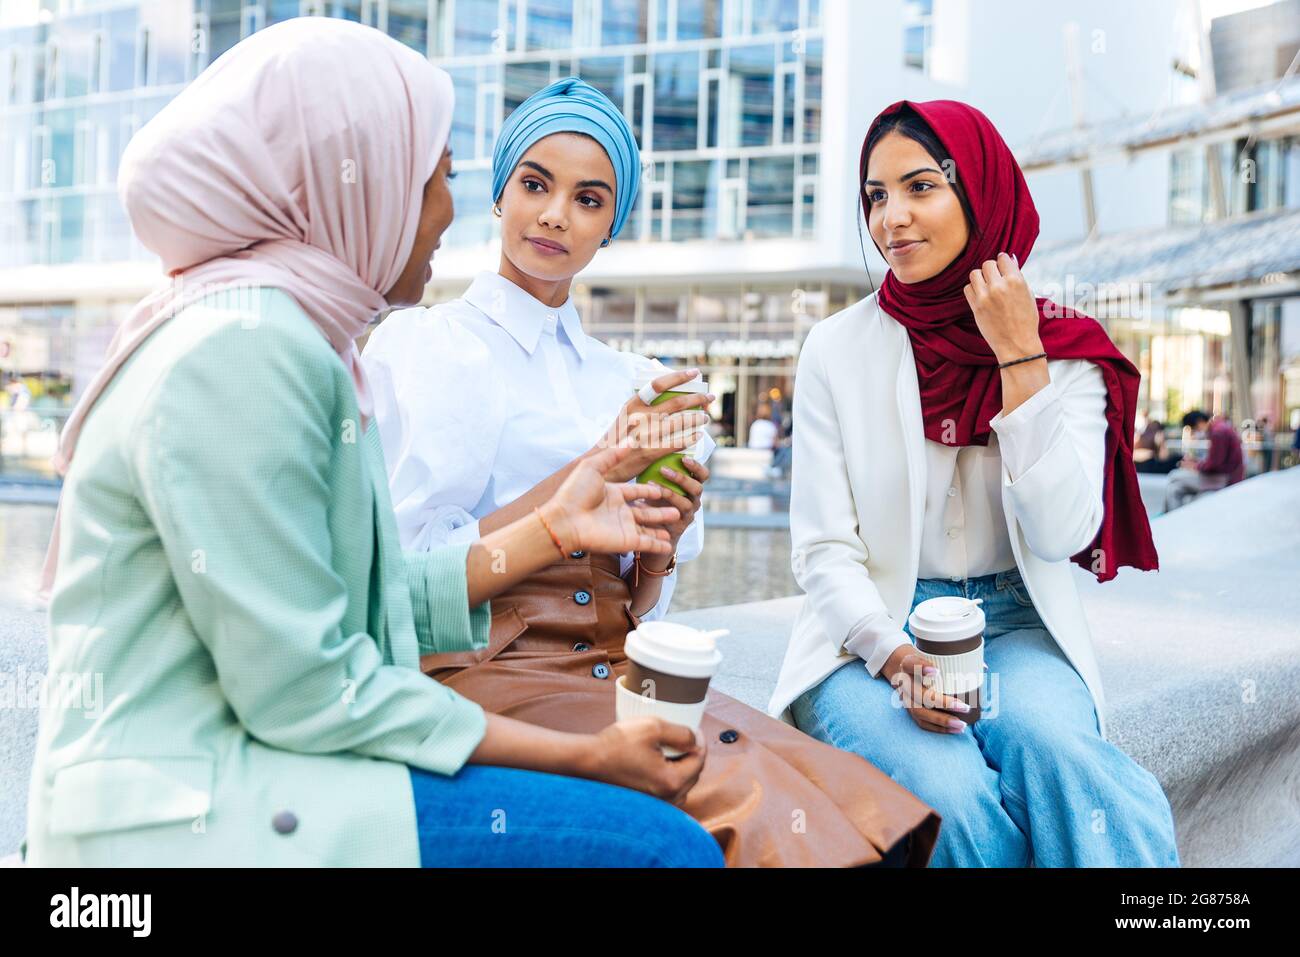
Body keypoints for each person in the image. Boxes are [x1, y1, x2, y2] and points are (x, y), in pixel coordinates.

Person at [24, 19, 725, 868]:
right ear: (354, 185)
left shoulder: (287, 332)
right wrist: (587, 758)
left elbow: (372, 602)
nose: (442, 214)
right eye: (435, 180)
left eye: (589, 197)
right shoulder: (246, 351)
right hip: (191, 815)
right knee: (662, 848)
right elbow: (311, 691)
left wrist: (561, 525)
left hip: (253, 765)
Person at [363, 76, 942, 868]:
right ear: (500, 195)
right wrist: (590, 478)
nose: (556, 214)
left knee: (844, 786)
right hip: (486, 671)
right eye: (535, 184)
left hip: (621, 659)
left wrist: (658, 540)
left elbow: (634, 602)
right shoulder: (432, 348)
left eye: (590, 198)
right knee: (746, 792)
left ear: (613, 224)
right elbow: (399, 584)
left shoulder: (630, 377)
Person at [769, 99, 1179, 867]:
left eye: (920, 186)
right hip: (870, 635)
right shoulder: (836, 347)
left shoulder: (1064, 348)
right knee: (943, 796)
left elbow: (1063, 532)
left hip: (1020, 624)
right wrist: (894, 655)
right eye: (876, 196)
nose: (891, 217)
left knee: (1063, 754)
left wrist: (1019, 359)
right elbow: (823, 550)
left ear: (980, 191)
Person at [1164, 410, 1245, 512]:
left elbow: (1214, 464)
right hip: (1223, 475)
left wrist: (1193, 466)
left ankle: (1172, 519)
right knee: (1173, 489)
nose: (1194, 431)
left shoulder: (1218, 433)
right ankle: (1173, 518)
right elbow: (1216, 460)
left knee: (1174, 475)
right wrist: (1196, 463)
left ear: (1199, 422)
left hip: (1223, 478)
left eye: (1193, 428)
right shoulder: (1219, 428)